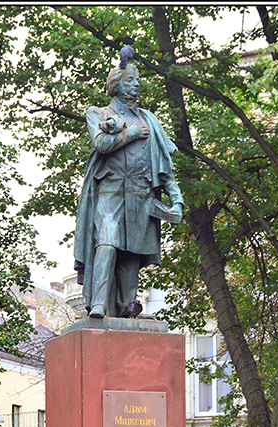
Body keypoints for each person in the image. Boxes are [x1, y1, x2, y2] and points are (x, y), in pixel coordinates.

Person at [74, 46, 184, 318]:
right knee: (107, 242)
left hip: (140, 194)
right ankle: (98, 303)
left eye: (137, 80)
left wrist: (177, 200)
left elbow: (164, 166)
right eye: (130, 80)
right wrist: (132, 133)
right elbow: (101, 144)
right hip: (109, 192)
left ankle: (126, 307)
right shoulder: (98, 113)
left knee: (131, 253)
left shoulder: (151, 120)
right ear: (116, 85)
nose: (136, 85)